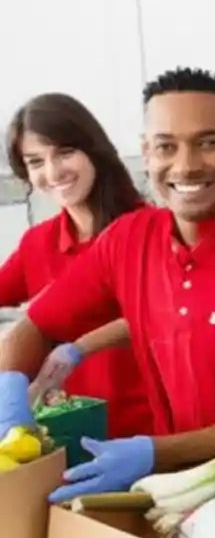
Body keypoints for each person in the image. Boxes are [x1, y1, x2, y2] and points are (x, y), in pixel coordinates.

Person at [0, 67, 215, 503]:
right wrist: (10, 395)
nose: (186, 165)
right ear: (147, 152)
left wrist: (154, 453)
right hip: (160, 498)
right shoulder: (127, 240)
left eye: (208, 143)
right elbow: (37, 325)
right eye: (166, 147)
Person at [2, 93, 152, 437]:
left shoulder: (152, 229)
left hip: (149, 437)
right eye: (36, 161)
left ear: (94, 150)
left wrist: (79, 348)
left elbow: (164, 313)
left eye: (65, 152)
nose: (52, 172)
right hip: (65, 433)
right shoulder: (38, 242)